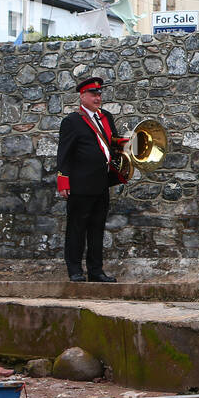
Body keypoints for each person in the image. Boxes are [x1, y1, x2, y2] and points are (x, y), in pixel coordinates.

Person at [57, 76, 125, 282]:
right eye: (93, 94)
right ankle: (75, 270)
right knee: (77, 228)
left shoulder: (106, 116)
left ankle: (96, 271)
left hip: (101, 182)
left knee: (97, 229)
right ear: (82, 96)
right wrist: (63, 180)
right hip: (80, 183)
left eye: (99, 94)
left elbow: (111, 143)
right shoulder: (72, 121)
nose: (98, 98)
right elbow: (64, 154)